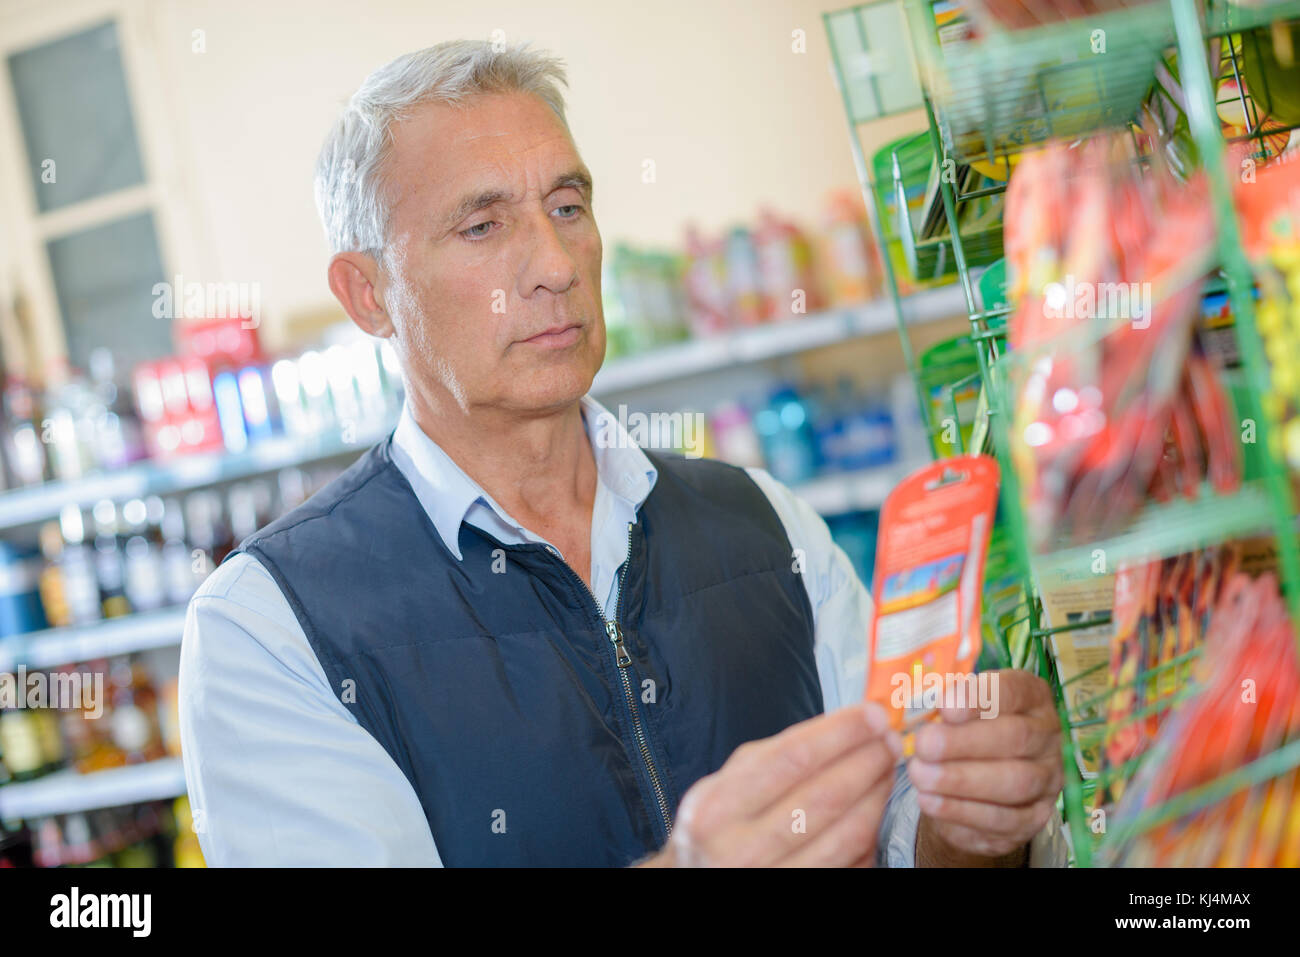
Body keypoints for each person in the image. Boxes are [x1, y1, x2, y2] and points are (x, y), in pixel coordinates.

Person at [178, 39, 1067, 867]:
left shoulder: (763, 522)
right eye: (482, 227)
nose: (557, 262)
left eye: (568, 207)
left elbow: (915, 838)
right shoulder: (271, 627)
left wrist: (977, 811)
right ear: (368, 293)